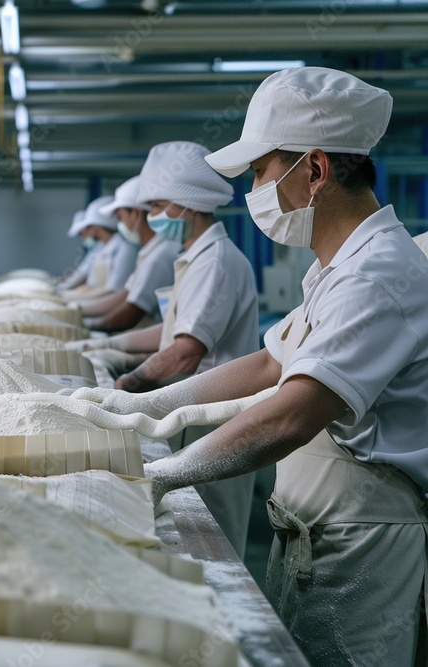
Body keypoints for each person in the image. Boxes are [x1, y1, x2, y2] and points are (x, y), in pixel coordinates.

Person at [100, 67, 427, 666]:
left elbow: (291, 415)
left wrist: (165, 474)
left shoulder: (378, 275)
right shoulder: (333, 269)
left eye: (259, 170)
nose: (254, 191)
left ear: (316, 171)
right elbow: (265, 364)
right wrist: (140, 407)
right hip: (313, 531)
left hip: (360, 547)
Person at [89, 141, 260, 556]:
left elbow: (185, 352)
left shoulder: (215, 262)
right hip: (188, 411)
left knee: (211, 537)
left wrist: (130, 385)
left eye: (160, 205)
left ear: (187, 205)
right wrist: (109, 347)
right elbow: (168, 333)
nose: (153, 217)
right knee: (188, 529)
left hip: (212, 420)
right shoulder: (195, 258)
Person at [75, 176, 182, 333]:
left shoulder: (160, 256)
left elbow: (131, 313)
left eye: (120, 217)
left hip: (152, 334)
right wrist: (77, 309)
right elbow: (125, 293)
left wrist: (85, 323)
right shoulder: (148, 251)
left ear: (136, 213)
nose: (120, 224)